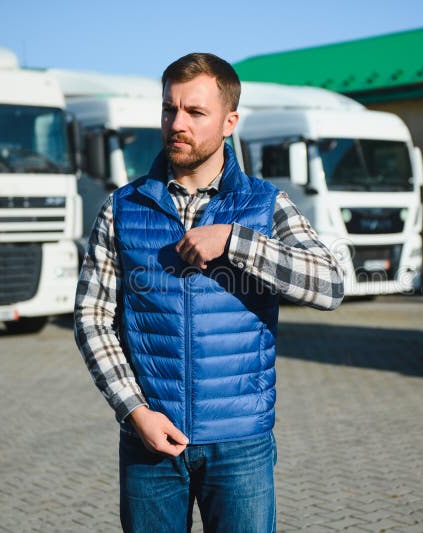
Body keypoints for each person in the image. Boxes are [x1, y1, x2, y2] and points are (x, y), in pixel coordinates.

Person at [74, 52, 344, 533]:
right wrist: (135, 411)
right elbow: (92, 318)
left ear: (228, 122)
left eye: (195, 112)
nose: (177, 123)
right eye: (169, 109)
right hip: (151, 442)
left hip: (240, 444)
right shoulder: (122, 209)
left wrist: (235, 242)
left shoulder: (265, 204)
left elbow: (330, 285)